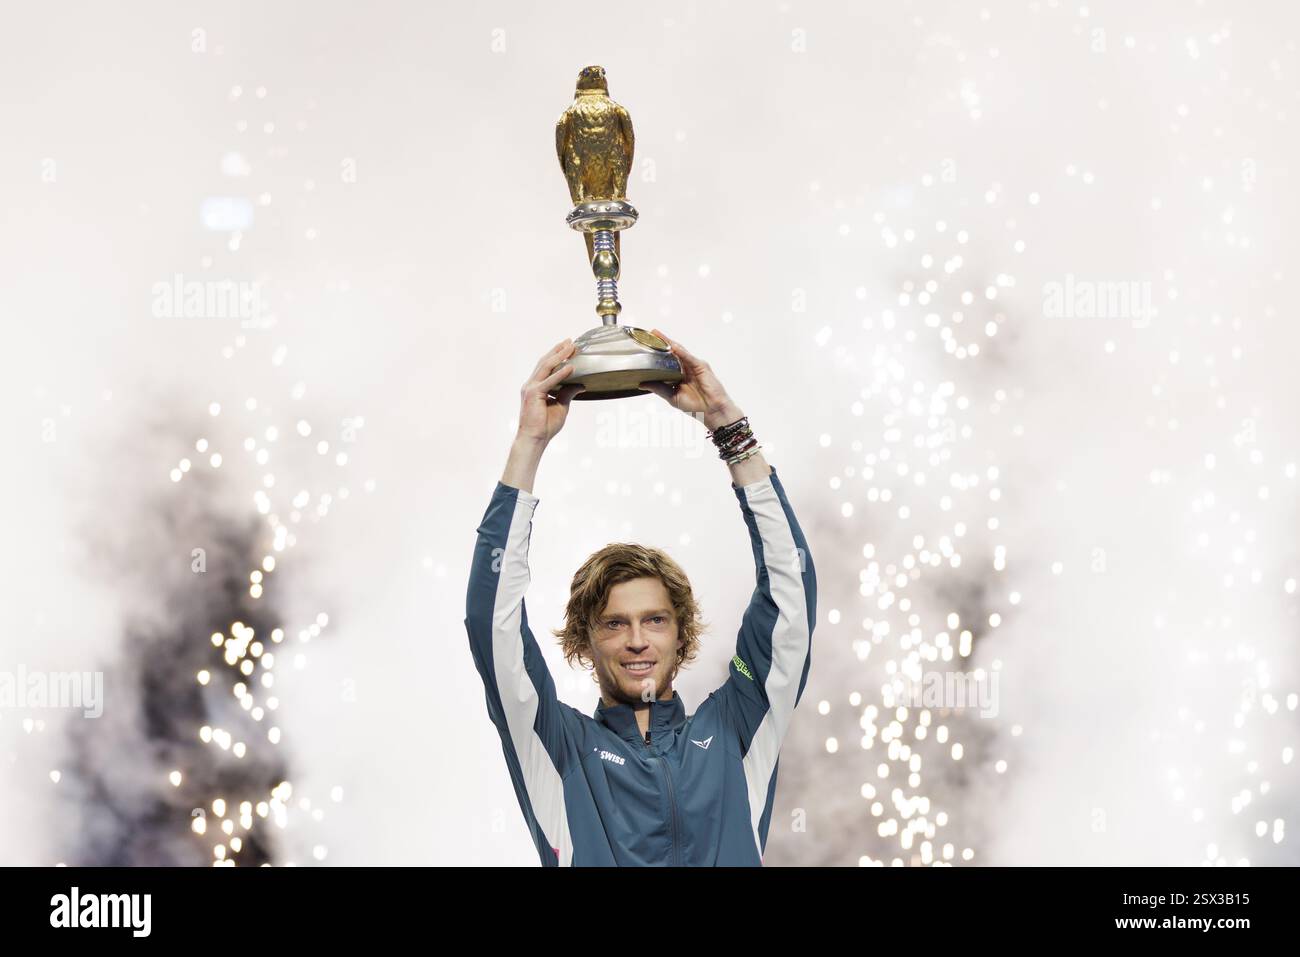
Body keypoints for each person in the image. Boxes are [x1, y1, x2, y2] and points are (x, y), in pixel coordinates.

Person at [464, 329, 817, 866]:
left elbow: (790, 592)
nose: (636, 641)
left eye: (654, 620)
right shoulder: (560, 750)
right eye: (613, 624)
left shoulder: (736, 729)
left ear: (681, 634)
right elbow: (493, 627)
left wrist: (729, 428)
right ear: (585, 639)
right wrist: (528, 444)